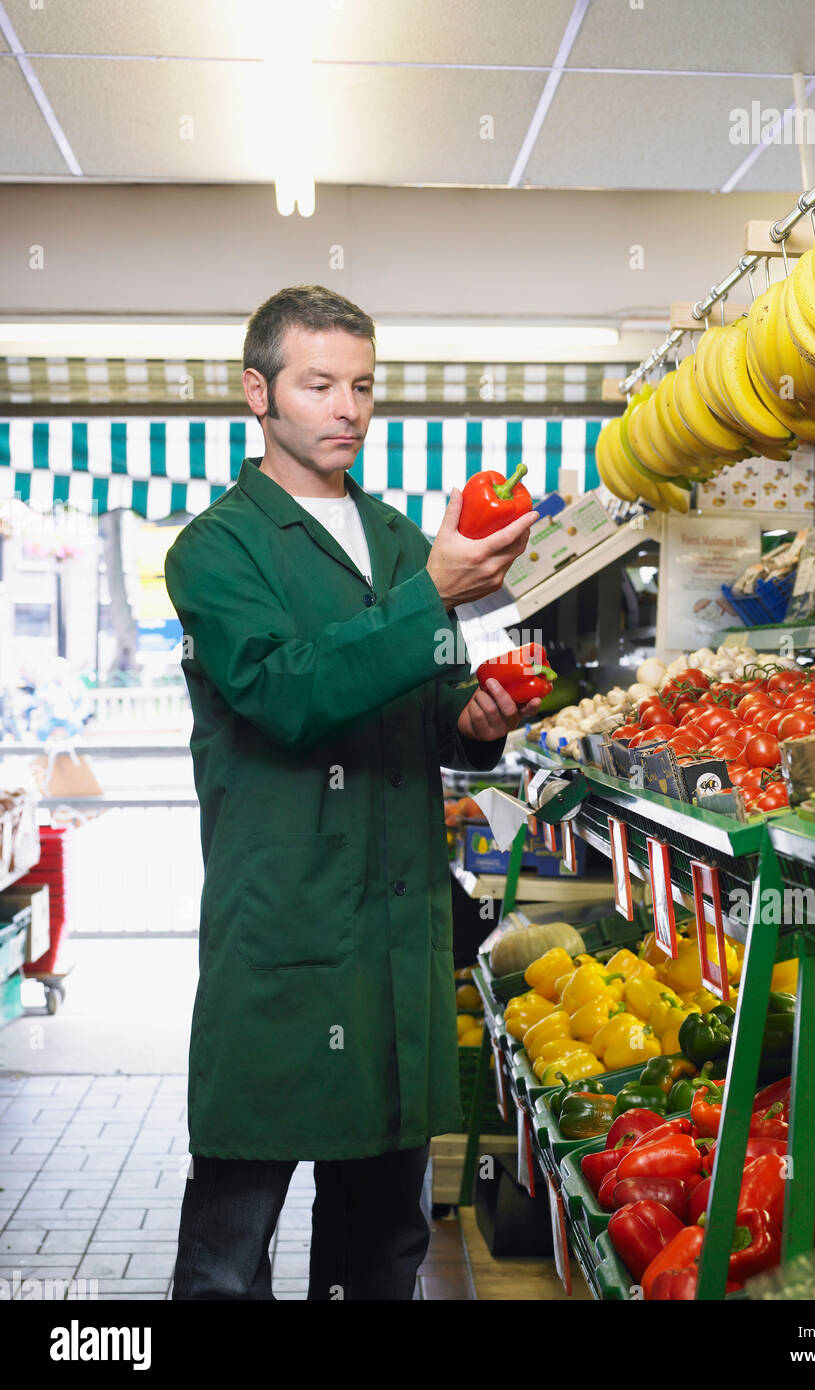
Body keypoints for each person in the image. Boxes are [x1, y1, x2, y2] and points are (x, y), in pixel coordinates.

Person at [164, 285, 541, 1300]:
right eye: (319, 383)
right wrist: (434, 598)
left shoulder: (404, 535)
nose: (347, 408)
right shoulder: (217, 547)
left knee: (382, 1247)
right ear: (259, 392)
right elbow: (287, 692)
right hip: (282, 932)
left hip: (396, 931)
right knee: (228, 1253)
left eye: (363, 385)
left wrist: (473, 717)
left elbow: (425, 703)